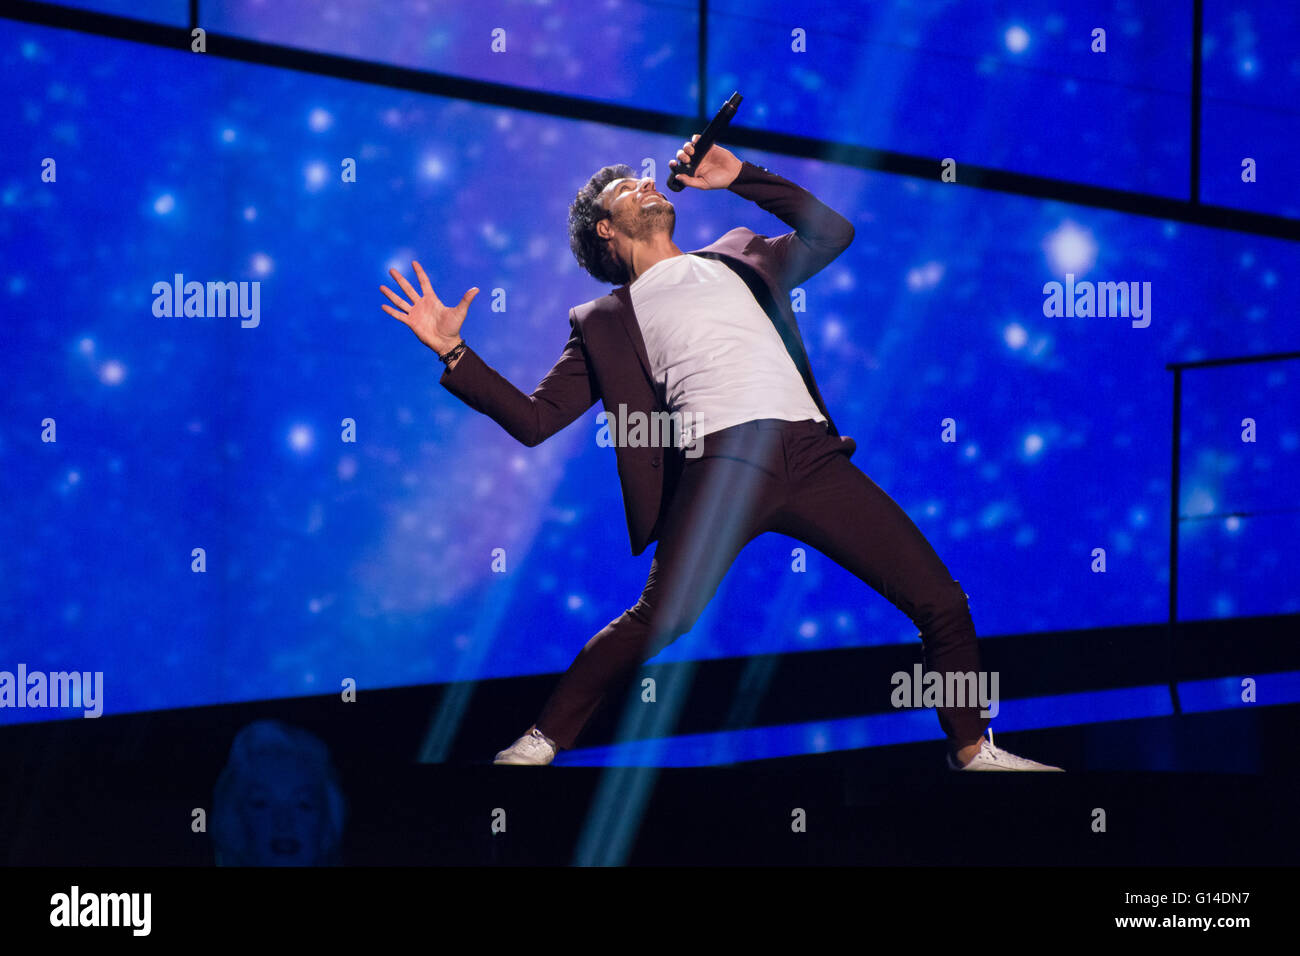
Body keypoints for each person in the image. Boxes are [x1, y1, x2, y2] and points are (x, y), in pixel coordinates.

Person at [380, 135, 1061, 772]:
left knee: (941, 598)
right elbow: (535, 419)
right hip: (721, 465)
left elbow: (833, 232)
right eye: (624, 188)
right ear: (605, 231)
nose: (644, 183)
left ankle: (972, 751)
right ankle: (543, 738)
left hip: (811, 453)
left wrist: (740, 176)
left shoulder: (741, 254)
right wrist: (454, 353)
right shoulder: (604, 321)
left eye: (643, 177)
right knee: (661, 619)